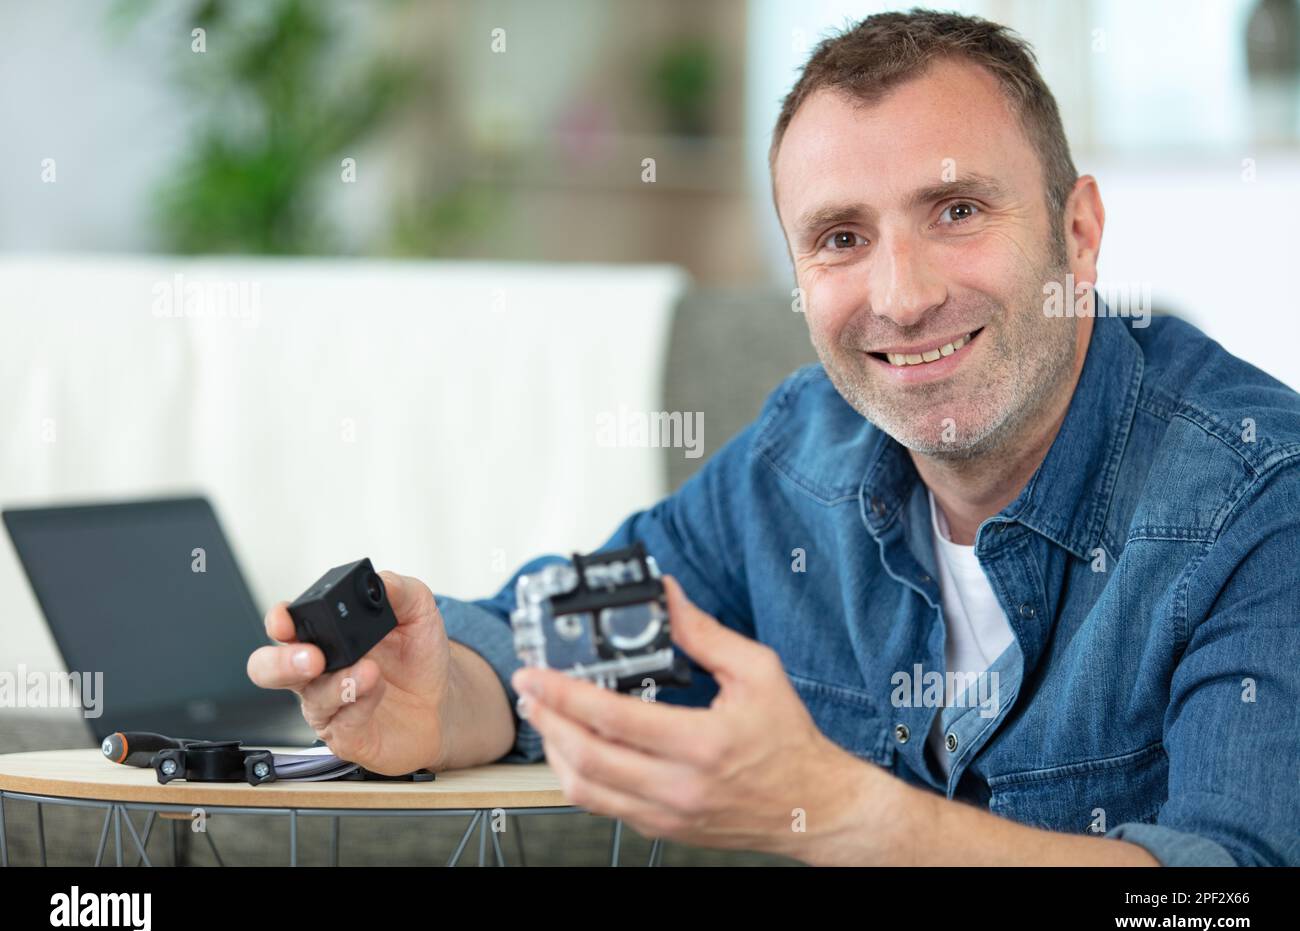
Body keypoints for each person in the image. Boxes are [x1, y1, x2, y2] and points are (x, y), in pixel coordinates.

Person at [247, 10, 1300, 865]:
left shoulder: (1258, 500)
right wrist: (450, 701)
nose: (902, 295)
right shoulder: (806, 449)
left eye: (956, 210)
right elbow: (575, 636)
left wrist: (841, 811)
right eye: (841, 238)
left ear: (1077, 232)